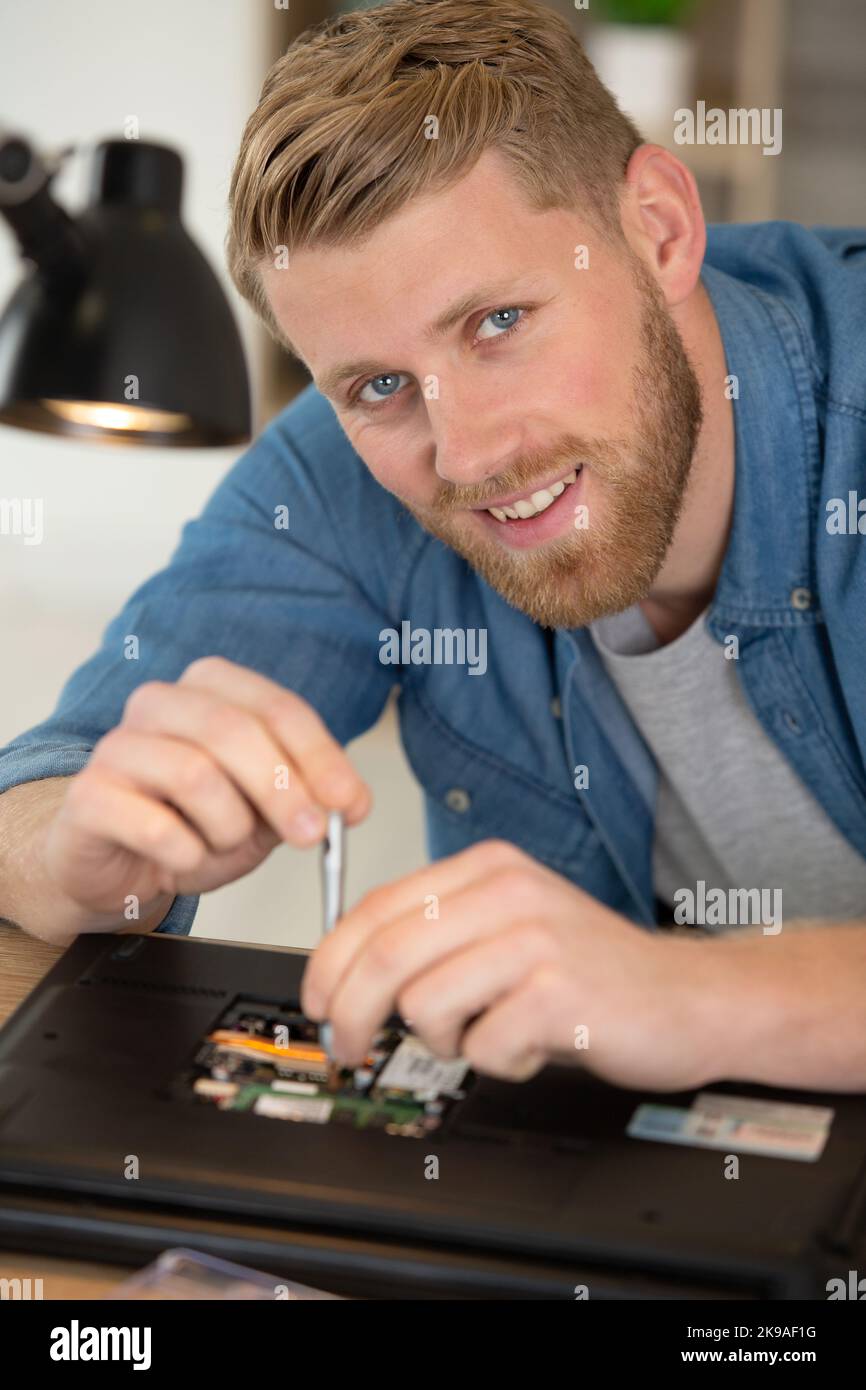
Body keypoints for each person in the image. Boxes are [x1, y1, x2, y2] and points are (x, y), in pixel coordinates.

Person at [2, 0, 865, 1094]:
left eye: (498, 322)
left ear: (657, 228)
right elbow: (45, 787)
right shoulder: (337, 471)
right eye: (375, 385)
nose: (463, 455)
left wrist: (682, 994)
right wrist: (69, 847)